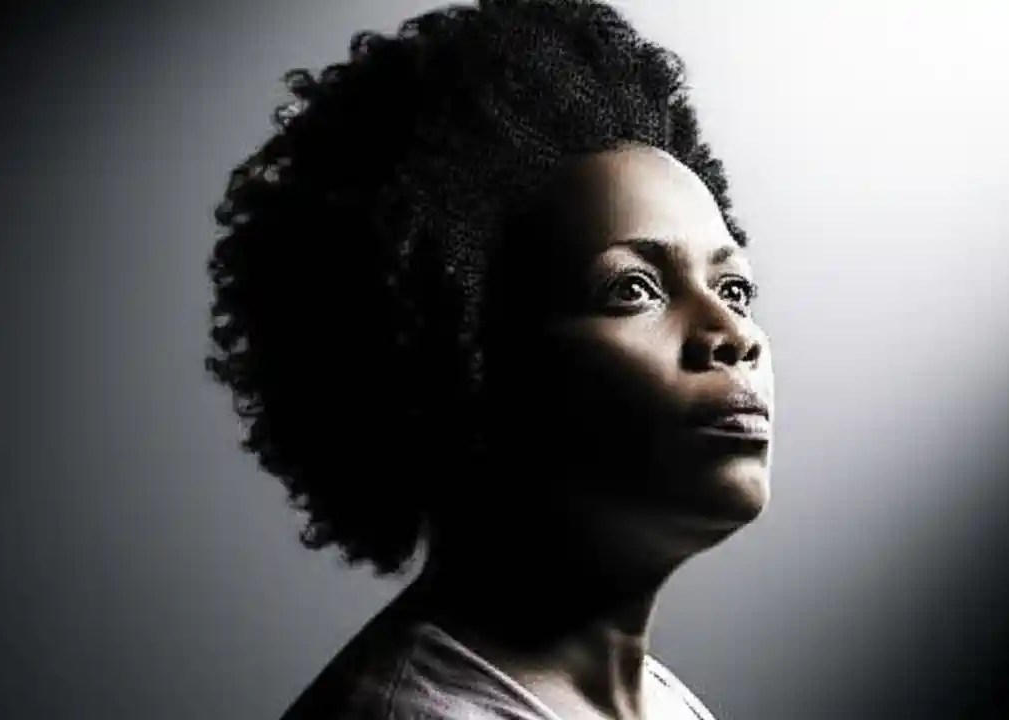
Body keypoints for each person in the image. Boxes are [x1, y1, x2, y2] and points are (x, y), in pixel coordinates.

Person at [205, 1, 774, 717]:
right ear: (462, 359)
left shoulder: (656, 703)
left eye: (735, 288)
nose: (732, 332)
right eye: (632, 288)